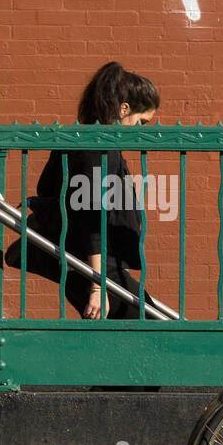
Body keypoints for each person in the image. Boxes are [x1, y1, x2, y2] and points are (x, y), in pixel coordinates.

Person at [33, 62, 160, 319]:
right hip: (95, 268)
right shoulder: (99, 150)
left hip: (85, 265)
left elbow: (46, 187)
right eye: (141, 121)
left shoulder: (76, 138)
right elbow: (94, 219)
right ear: (123, 108)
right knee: (151, 324)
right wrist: (97, 285)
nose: (141, 131)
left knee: (144, 323)